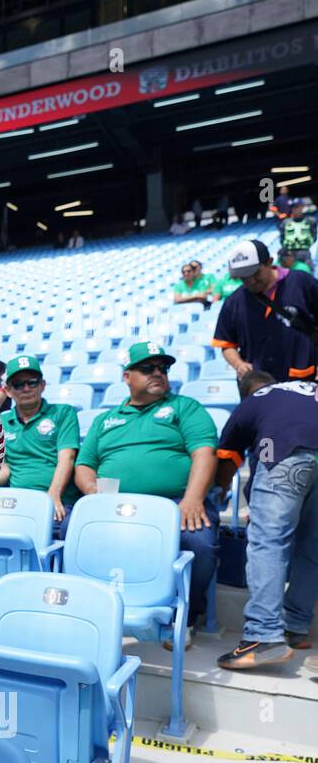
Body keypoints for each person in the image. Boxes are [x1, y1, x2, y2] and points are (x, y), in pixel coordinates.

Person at [75, 342, 220, 636]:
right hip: (115, 504)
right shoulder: (105, 419)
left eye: (162, 368)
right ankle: (90, 607)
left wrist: (193, 498)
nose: (157, 373)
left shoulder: (184, 407)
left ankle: (188, 614)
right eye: (147, 368)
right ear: (128, 377)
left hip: (173, 502)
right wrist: (92, 493)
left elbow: (204, 452)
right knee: (69, 532)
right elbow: (84, 465)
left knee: (201, 544)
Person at [212, 372, 318, 669]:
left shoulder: (253, 400)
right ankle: (295, 626)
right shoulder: (306, 390)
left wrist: (220, 493)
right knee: (312, 545)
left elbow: (227, 455)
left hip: (286, 453)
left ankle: (263, 636)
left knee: (268, 543)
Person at [0, 355, 81, 532]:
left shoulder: (63, 413)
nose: (26, 388)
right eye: (18, 384)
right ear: (8, 391)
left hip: (57, 500)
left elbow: (67, 457)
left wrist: (53, 496)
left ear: (42, 385)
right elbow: (5, 469)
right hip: (15, 502)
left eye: (32, 382)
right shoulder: (1, 421)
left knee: (65, 526)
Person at [213, 239, 318, 382]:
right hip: (260, 385)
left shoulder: (301, 282)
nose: (250, 280)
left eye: (255, 273)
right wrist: (239, 364)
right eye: (243, 277)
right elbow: (227, 344)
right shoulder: (233, 302)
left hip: (304, 377)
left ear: (269, 262)